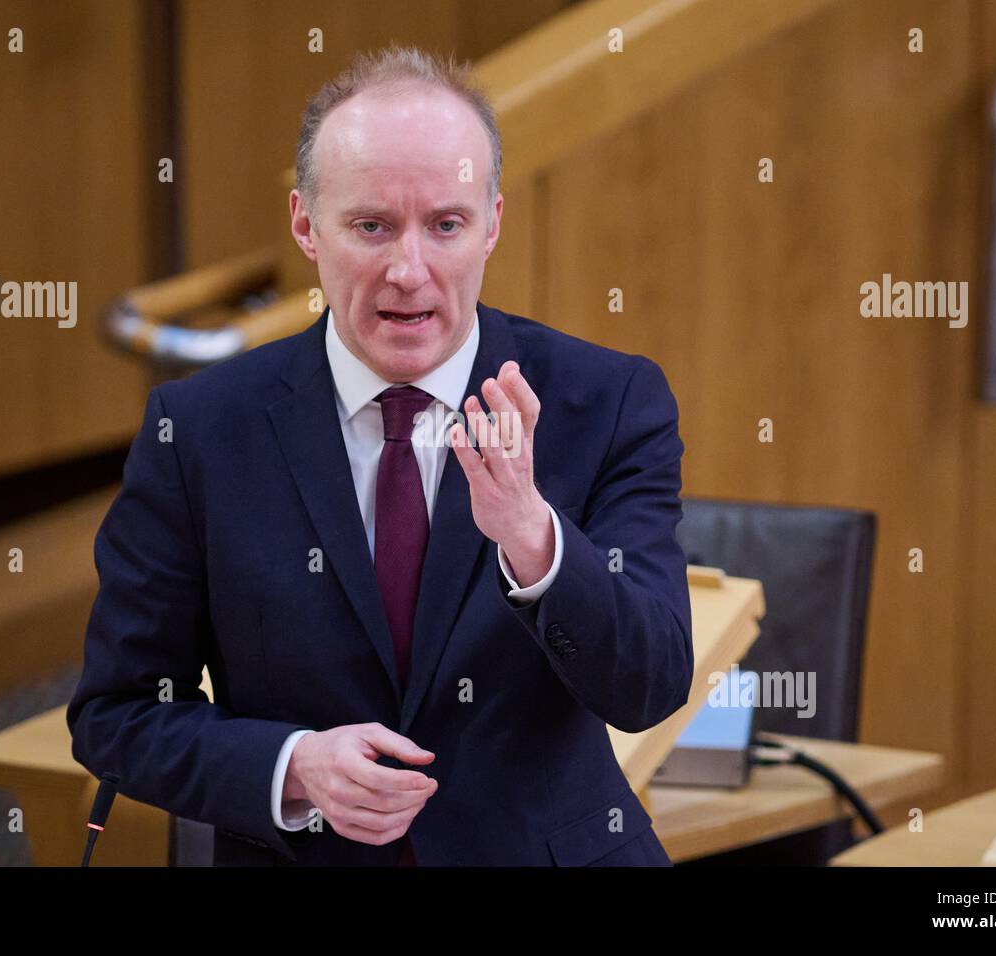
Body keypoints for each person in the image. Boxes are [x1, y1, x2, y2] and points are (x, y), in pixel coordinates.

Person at [67, 44, 692, 866]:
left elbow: (648, 688)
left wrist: (533, 538)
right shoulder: (199, 430)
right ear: (305, 225)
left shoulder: (607, 402)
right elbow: (118, 713)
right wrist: (292, 767)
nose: (409, 270)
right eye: (371, 226)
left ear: (493, 224)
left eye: (446, 225)